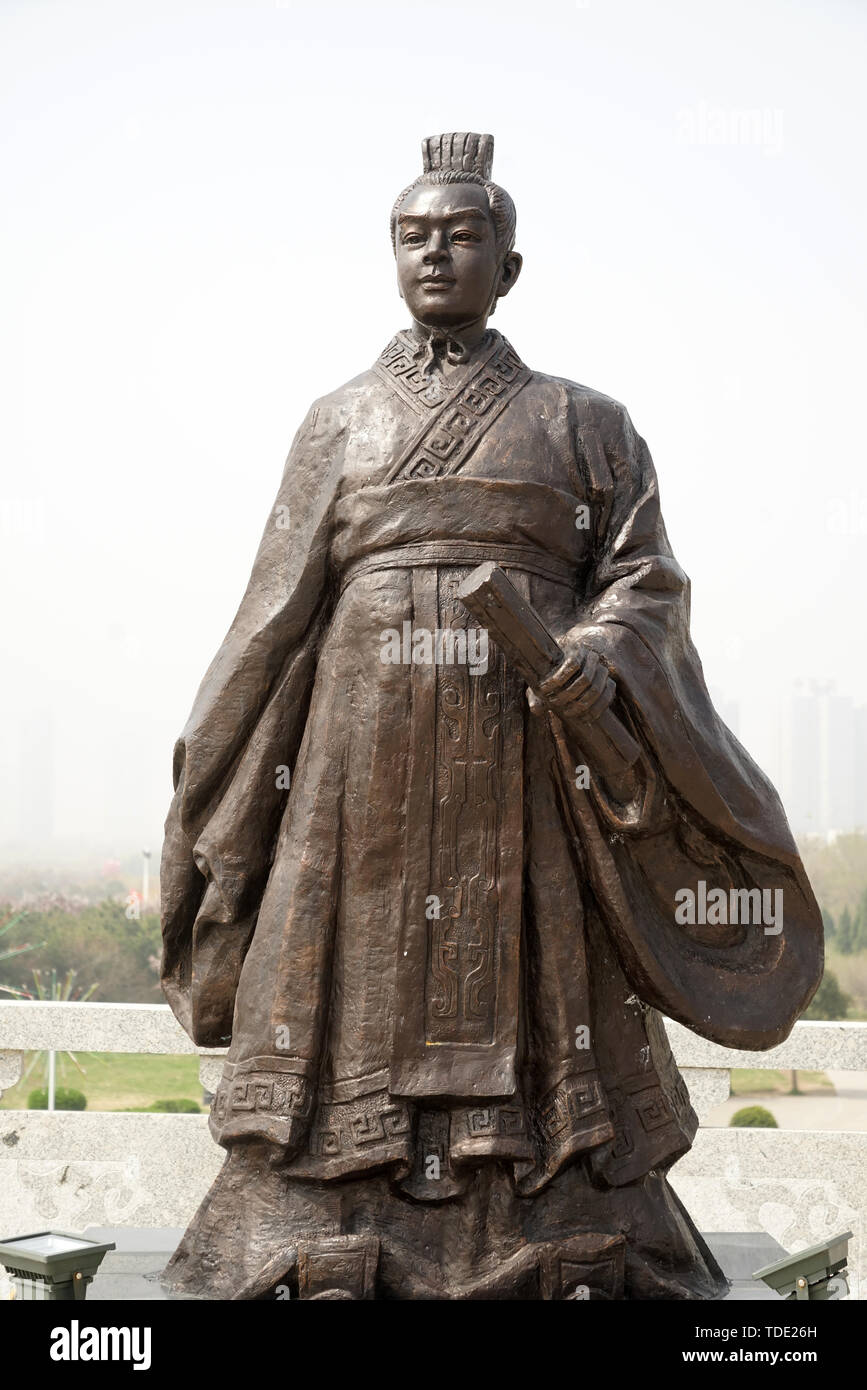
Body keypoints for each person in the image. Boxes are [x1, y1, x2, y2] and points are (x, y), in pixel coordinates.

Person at [160, 132, 822, 1300]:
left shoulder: (585, 422)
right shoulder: (339, 423)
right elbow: (275, 613)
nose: (436, 254)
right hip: (356, 769)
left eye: (463, 236)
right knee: (345, 982)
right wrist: (216, 765)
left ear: (510, 264)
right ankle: (324, 1200)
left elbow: (647, 578)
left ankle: (553, 1211)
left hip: (527, 754)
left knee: (535, 979)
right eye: (414, 236)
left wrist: (595, 653)